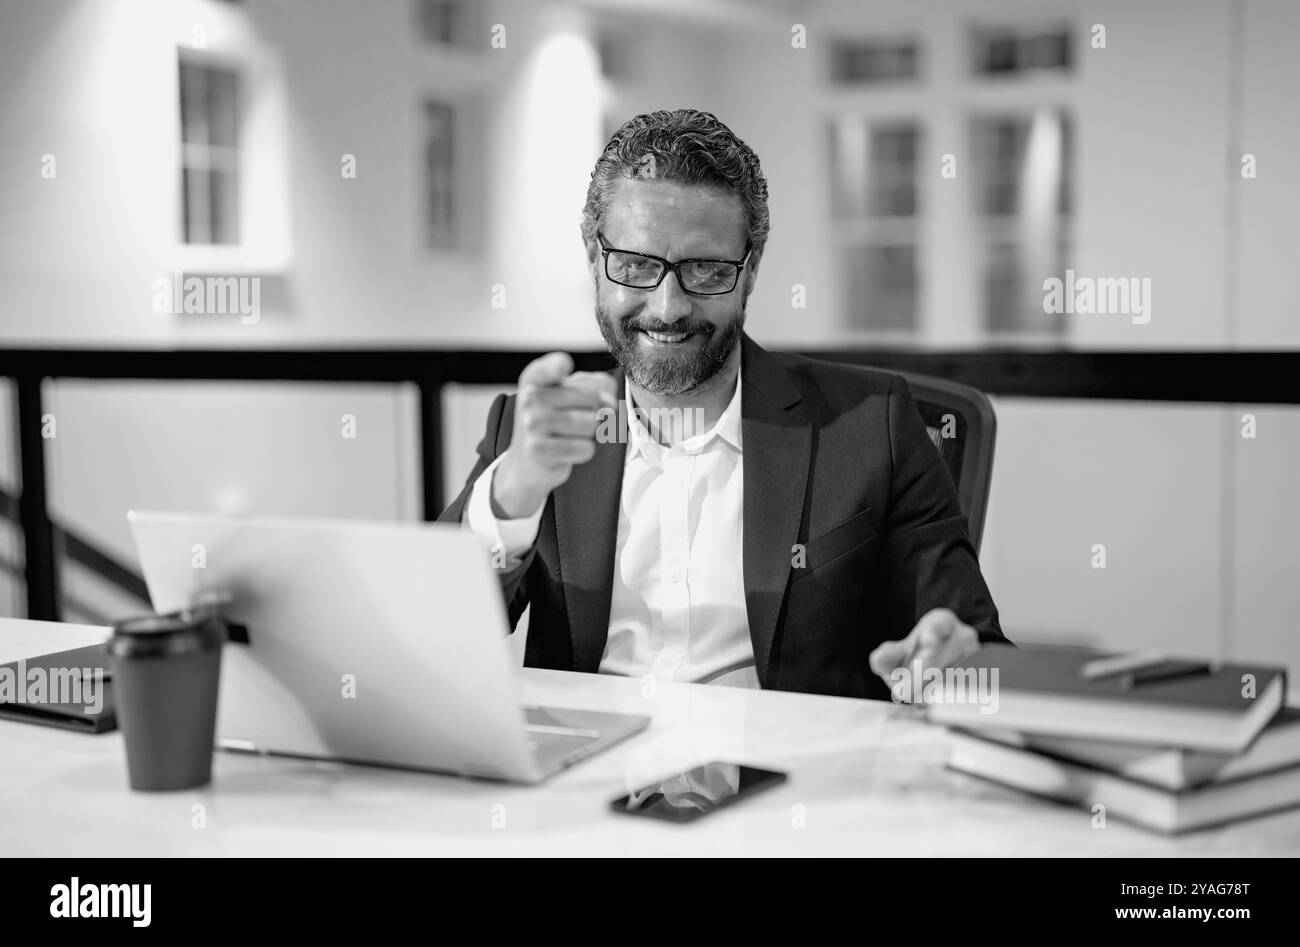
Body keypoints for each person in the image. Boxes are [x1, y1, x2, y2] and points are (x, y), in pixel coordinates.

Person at [440, 109, 1006, 700]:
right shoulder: (539, 431)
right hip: (587, 778)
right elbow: (429, 636)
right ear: (593, 260)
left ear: (752, 269)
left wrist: (948, 661)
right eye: (635, 266)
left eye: (705, 271)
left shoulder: (872, 425)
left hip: (789, 778)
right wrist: (514, 490)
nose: (667, 307)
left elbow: (983, 658)